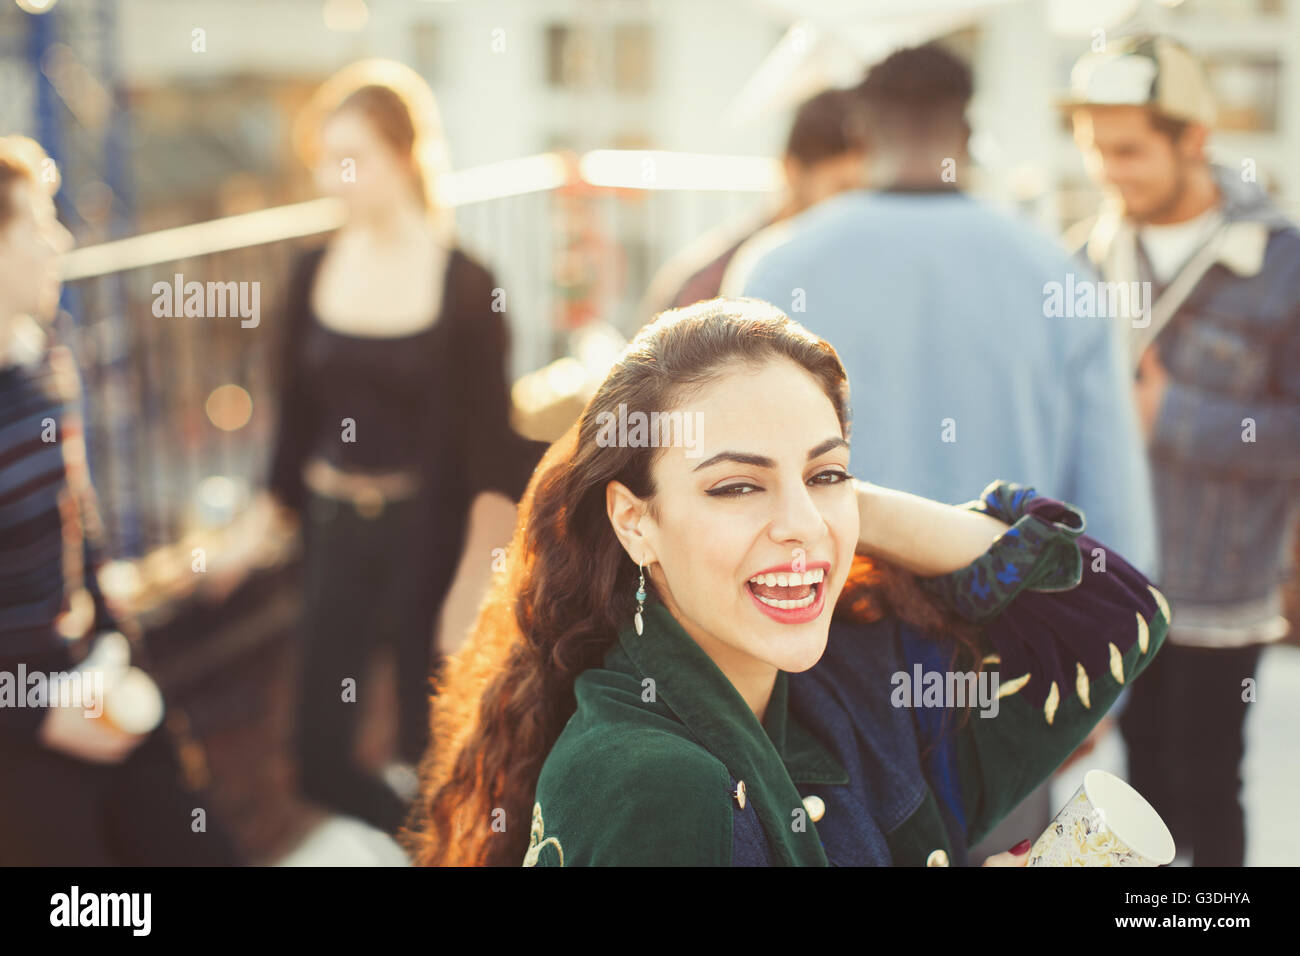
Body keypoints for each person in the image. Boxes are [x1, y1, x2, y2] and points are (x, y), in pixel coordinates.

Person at [404, 298, 1171, 866]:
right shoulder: (652, 785)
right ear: (635, 522)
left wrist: (831, 509)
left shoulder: (845, 681)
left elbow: (1108, 614)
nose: (800, 523)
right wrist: (810, 496)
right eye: (735, 487)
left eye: (829, 471)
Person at [724, 43, 1158, 863]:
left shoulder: (779, 267)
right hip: (1005, 664)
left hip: (819, 665)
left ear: (861, 127)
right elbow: (1116, 515)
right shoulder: (1052, 273)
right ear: (969, 126)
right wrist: (1091, 689)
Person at [265, 61, 546, 836]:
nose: (333, 176)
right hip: (331, 530)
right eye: (324, 158)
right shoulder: (311, 272)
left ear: (402, 156)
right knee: (317, 750)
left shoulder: (465, 285)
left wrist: (473, 578)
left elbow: (491, 450)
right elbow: (291, 422)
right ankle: (418, 839)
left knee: (432, 747)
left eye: (349, 158)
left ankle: (437, 846)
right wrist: (255, 523)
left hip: (426, 535)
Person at [1062, 35, 1300, 866]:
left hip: (1217, 588)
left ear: (1192, 139)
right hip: (1111, 579)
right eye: (1095, 150)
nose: (1109, 171)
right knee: (1131, 790)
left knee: (1206, 787)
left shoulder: (1282, 262)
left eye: (1128, 150)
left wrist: (1176, 416)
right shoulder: (1083, 254)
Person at [0, 135, 240, 865]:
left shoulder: (43, 356)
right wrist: (36, 716)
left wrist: (120, 653)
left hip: (95, 682)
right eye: (38, 224)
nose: (61, 240)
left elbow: (80, 527)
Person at [637, 86, 866, 321]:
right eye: (843, 188)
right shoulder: (708, 287)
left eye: (869, 190)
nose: (859, 205)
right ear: (792, 170)